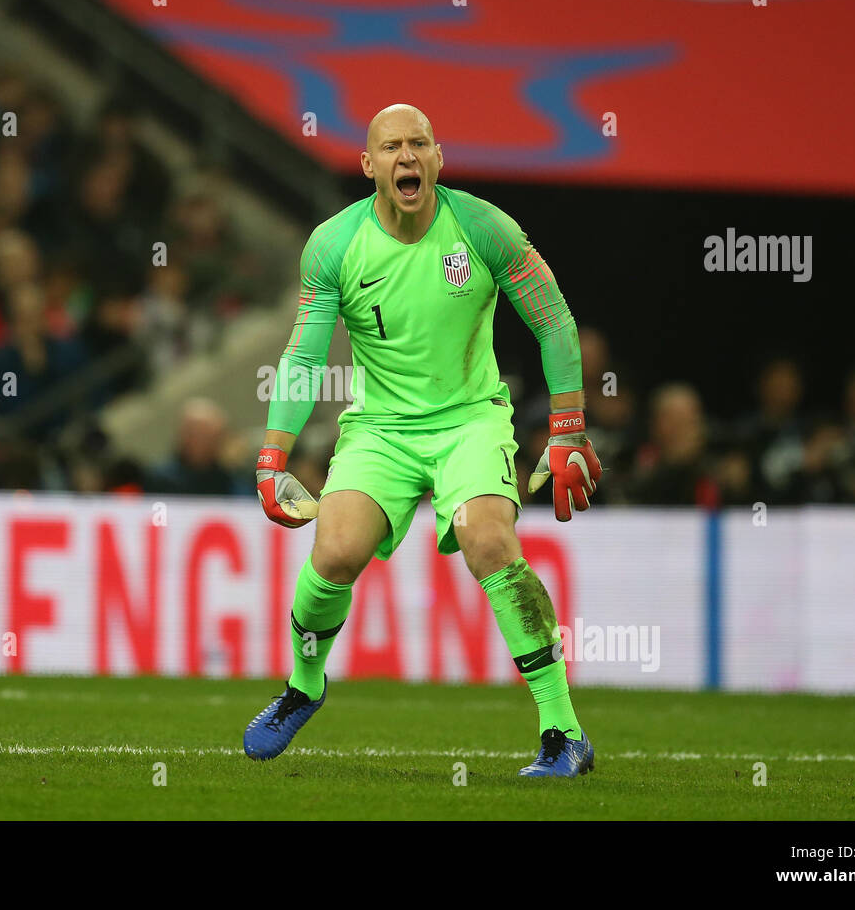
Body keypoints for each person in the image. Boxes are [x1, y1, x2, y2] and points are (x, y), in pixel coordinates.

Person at [246, 104, 601, 778]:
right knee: (336, 551)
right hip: (380, 428)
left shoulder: (485, 229)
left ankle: (564, 733)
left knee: (489, 542)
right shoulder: (334, 244)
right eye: (391, 147)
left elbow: (553, 318)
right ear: (369, 165)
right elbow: (303, 356)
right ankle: (303, 685)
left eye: (418, 145)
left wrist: (568, 427)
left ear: (437, 158)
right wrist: (272, 456)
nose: (406, 157)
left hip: (470, 421)